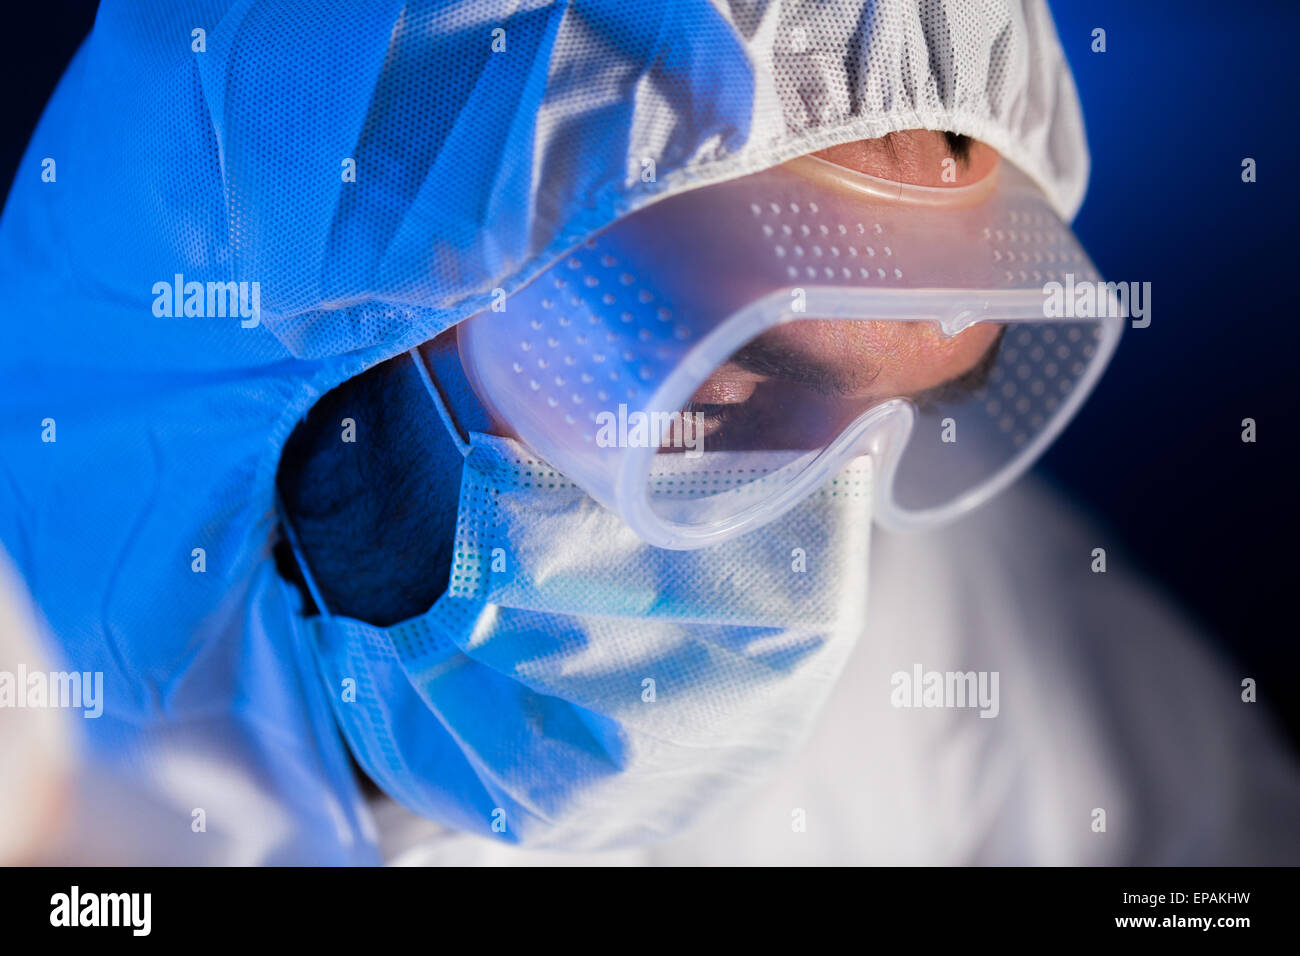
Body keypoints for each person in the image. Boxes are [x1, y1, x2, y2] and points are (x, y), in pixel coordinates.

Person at [1, 0, 1296, 864]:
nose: (816, 581)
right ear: (332, 322)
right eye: (719, 397)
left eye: (900, 416)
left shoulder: (989, 652)